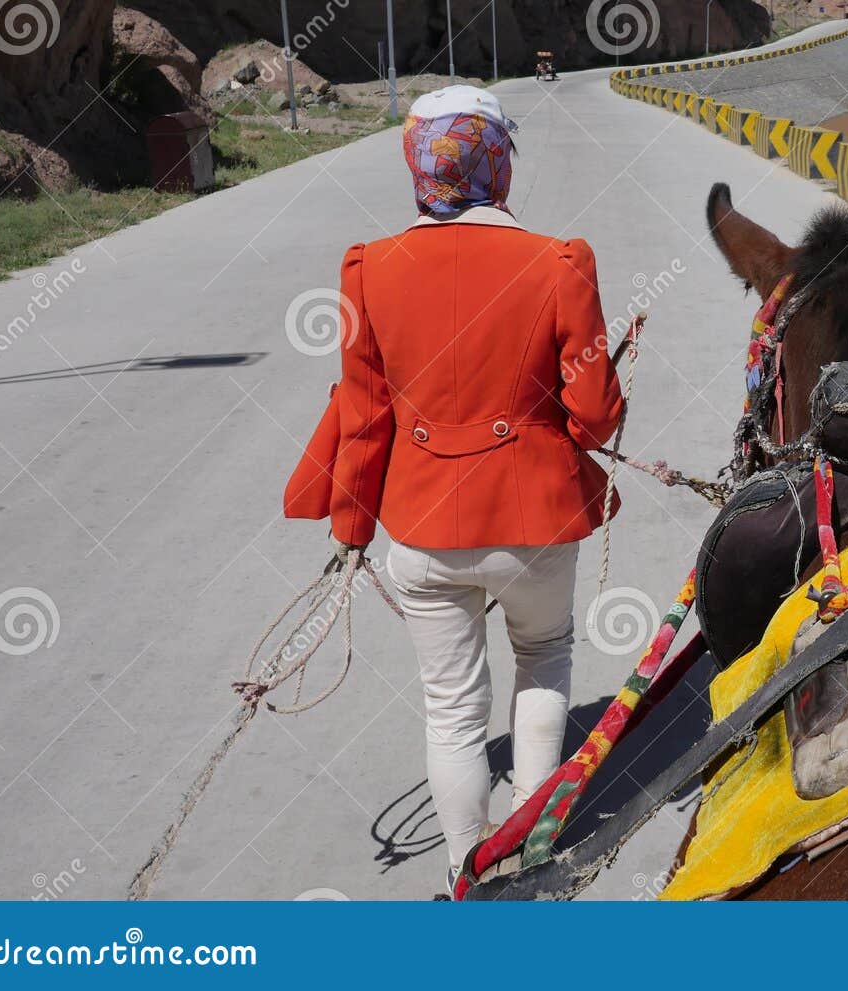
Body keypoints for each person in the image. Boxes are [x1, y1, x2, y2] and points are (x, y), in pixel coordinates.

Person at [296, 85, 624, 891]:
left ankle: (465, 873)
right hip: (534, 523)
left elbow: (364, 417)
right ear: (498, 164)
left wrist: (351, 530)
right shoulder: (560, 262)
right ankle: (528, 848)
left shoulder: (368, 268)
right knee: (543, 656)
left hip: (422, 527)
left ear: (419, 165)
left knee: (451, 708)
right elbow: (595, 418)